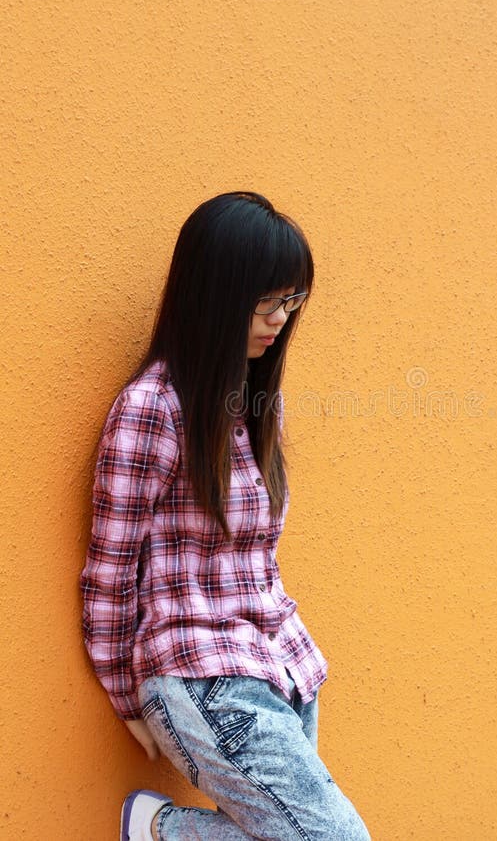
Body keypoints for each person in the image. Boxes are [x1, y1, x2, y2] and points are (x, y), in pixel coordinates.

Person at [81, 192, 371, 841]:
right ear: (215, 294)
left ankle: (161, 832)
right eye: (266, 301)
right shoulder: (154, 408)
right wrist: (125, 695)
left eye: (290, 301)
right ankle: (161, 830)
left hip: (283, 666)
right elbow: (110, 568)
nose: (280, 319)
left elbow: (257, 561)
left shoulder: (256, 405)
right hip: (200, 676)